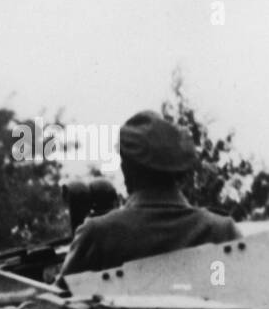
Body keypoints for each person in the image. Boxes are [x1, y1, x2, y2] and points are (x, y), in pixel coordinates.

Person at [58, 110, 239, 277]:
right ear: (179, 168)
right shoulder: (222, 232)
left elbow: (52, 307)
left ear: (126, 169)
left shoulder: (97, 236)